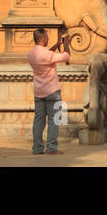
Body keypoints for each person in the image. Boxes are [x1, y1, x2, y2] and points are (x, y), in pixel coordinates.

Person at [27, 27, 69, 156]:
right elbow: (66, 57)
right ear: (43, 38)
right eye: (47, 37)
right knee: (54, 119)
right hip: (52, 91)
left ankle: (37, 148)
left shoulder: (31, 53)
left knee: (38, 119)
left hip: (39, 91)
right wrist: (66, 44)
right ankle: (51, 147)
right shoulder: (46, 54)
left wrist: (56, 44)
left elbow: (46, 56)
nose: (48, 39)